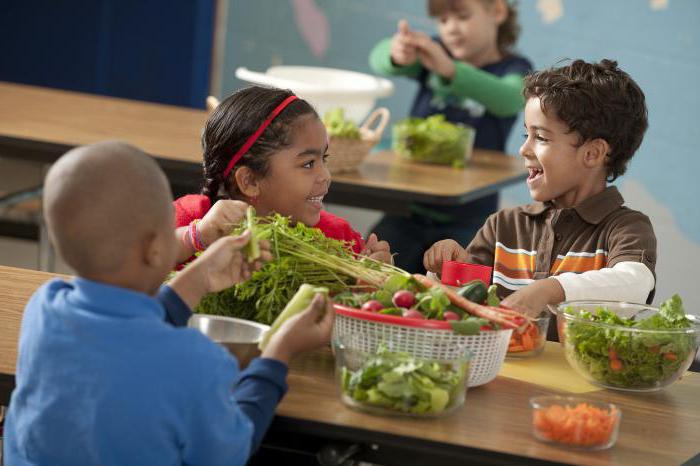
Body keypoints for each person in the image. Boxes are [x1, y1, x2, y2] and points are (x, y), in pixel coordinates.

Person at [4, 141, 334, 466]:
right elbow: (229, 452)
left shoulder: (43, 309)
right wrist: (277, 354)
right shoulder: (194, 361)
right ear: (155, 248)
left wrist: (199, 277)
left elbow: (123, 333)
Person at [424, 59, 657, 318]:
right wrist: (444, 268)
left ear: (592, 153)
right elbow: (460, 305)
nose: (523, 149)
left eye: (541, 137)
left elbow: (635, 283)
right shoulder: (503, 225)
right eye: (527, 135)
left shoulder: (626, 228)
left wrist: (550, 289)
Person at [368, 0, 533, 272]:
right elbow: (380, 58)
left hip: (470, 215)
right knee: (373, 266)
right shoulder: (434, 53)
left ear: (497, 12)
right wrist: (398, 53)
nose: (451, 29)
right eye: (443, 21)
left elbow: (509, 98)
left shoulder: (514, 67)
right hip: (408, 210)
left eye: (462, 17)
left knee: (457, 286)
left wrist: (450, 69)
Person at [174, 86, 391, 265]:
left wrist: (375, 278)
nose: (325, 175)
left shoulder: (339, 239)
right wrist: (194, 238)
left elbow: (359, 306)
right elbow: (145, 258)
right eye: (308, 164)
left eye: (323, 159)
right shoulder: (192, 218)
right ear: (249, 181)